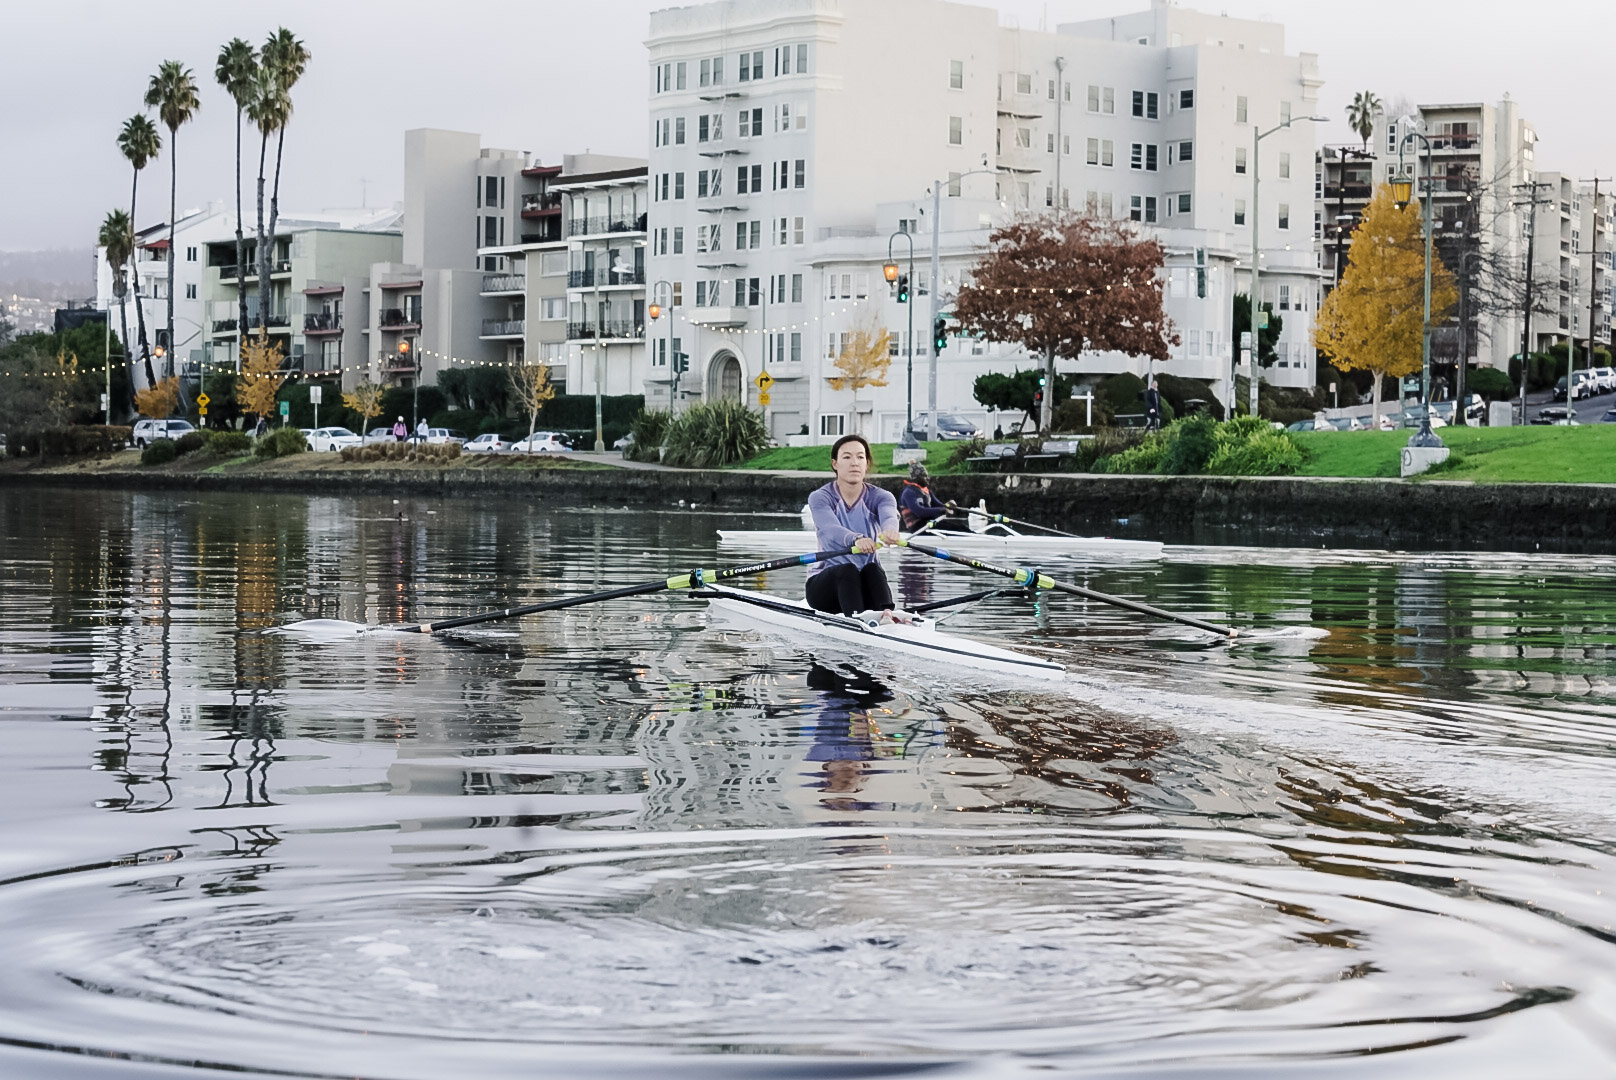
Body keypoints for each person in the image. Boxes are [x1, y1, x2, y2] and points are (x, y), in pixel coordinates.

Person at [805, 434, 904, 620]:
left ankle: (888, 617)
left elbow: (889, 515)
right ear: (835, 464)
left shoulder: (881, 496)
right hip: (825, 590)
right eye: (847, 457)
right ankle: (858, 622)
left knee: (873, 569)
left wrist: (890, 531)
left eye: (860, 457)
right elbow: (830, 528)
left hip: (864, 585)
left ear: (866, 463)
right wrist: (856, 539)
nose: (855, 463)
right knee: (847, 568)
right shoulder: (820, 497)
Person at [898, 462, 949, 533]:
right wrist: (942, 510)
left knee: (960, 527)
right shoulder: (909, 492)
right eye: (925, 476)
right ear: (916, 478)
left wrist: (949, 505)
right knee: (955, 528)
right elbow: (920, 512)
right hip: (917, 528)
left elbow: (940, 506)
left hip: (928, 523)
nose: (928, 478)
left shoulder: (926, 491)